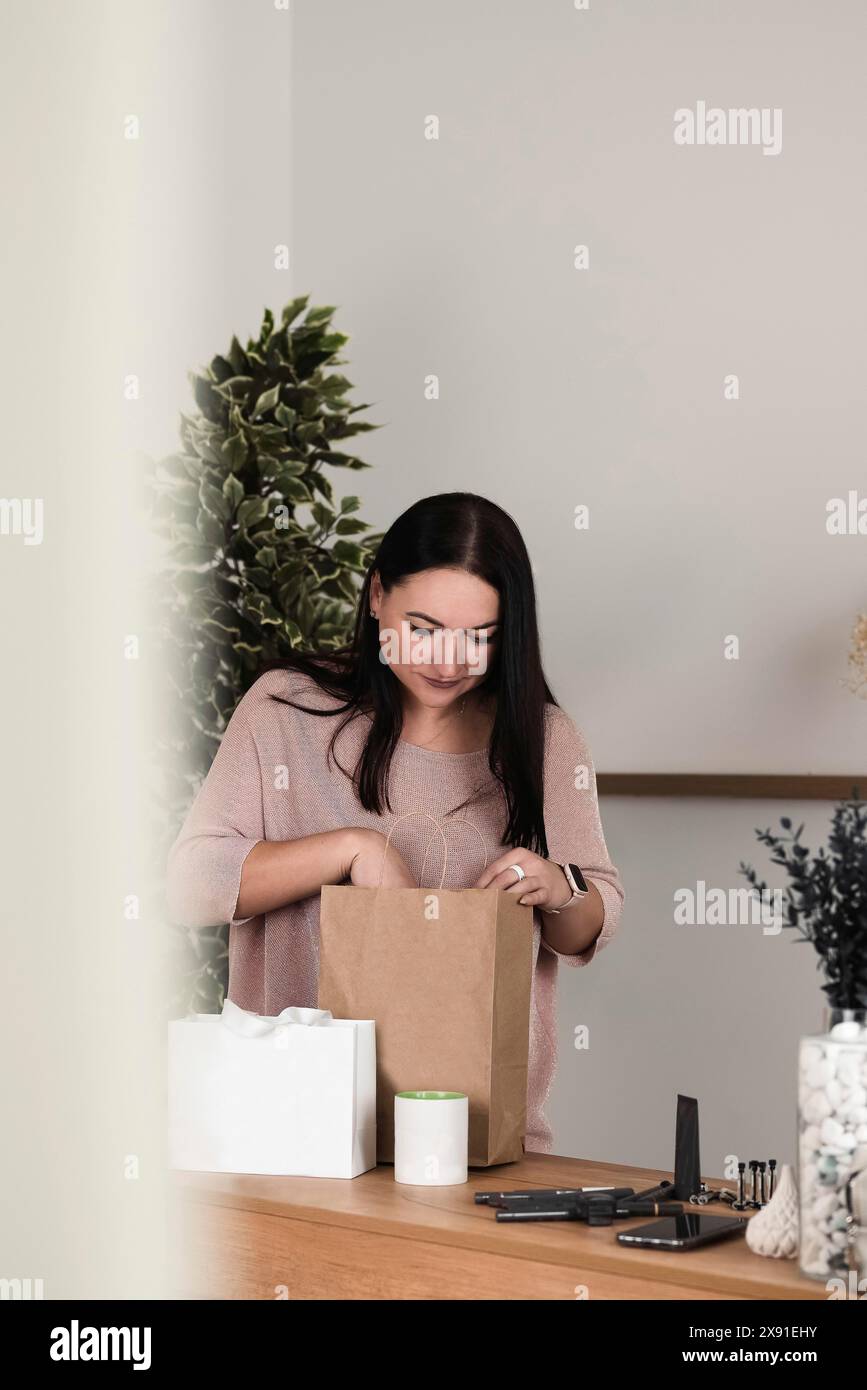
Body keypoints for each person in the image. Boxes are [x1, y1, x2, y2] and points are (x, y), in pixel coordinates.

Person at [167, 491, 624, 1152]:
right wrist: (352, 850)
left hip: (471, 1137)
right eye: (424, 627)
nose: (447, 662)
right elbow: (189, 884)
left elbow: (589, 926)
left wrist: (559, 886)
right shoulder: (285, 709)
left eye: (479, 638)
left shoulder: (542, 740)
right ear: (377, 595)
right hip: (290, 1129)